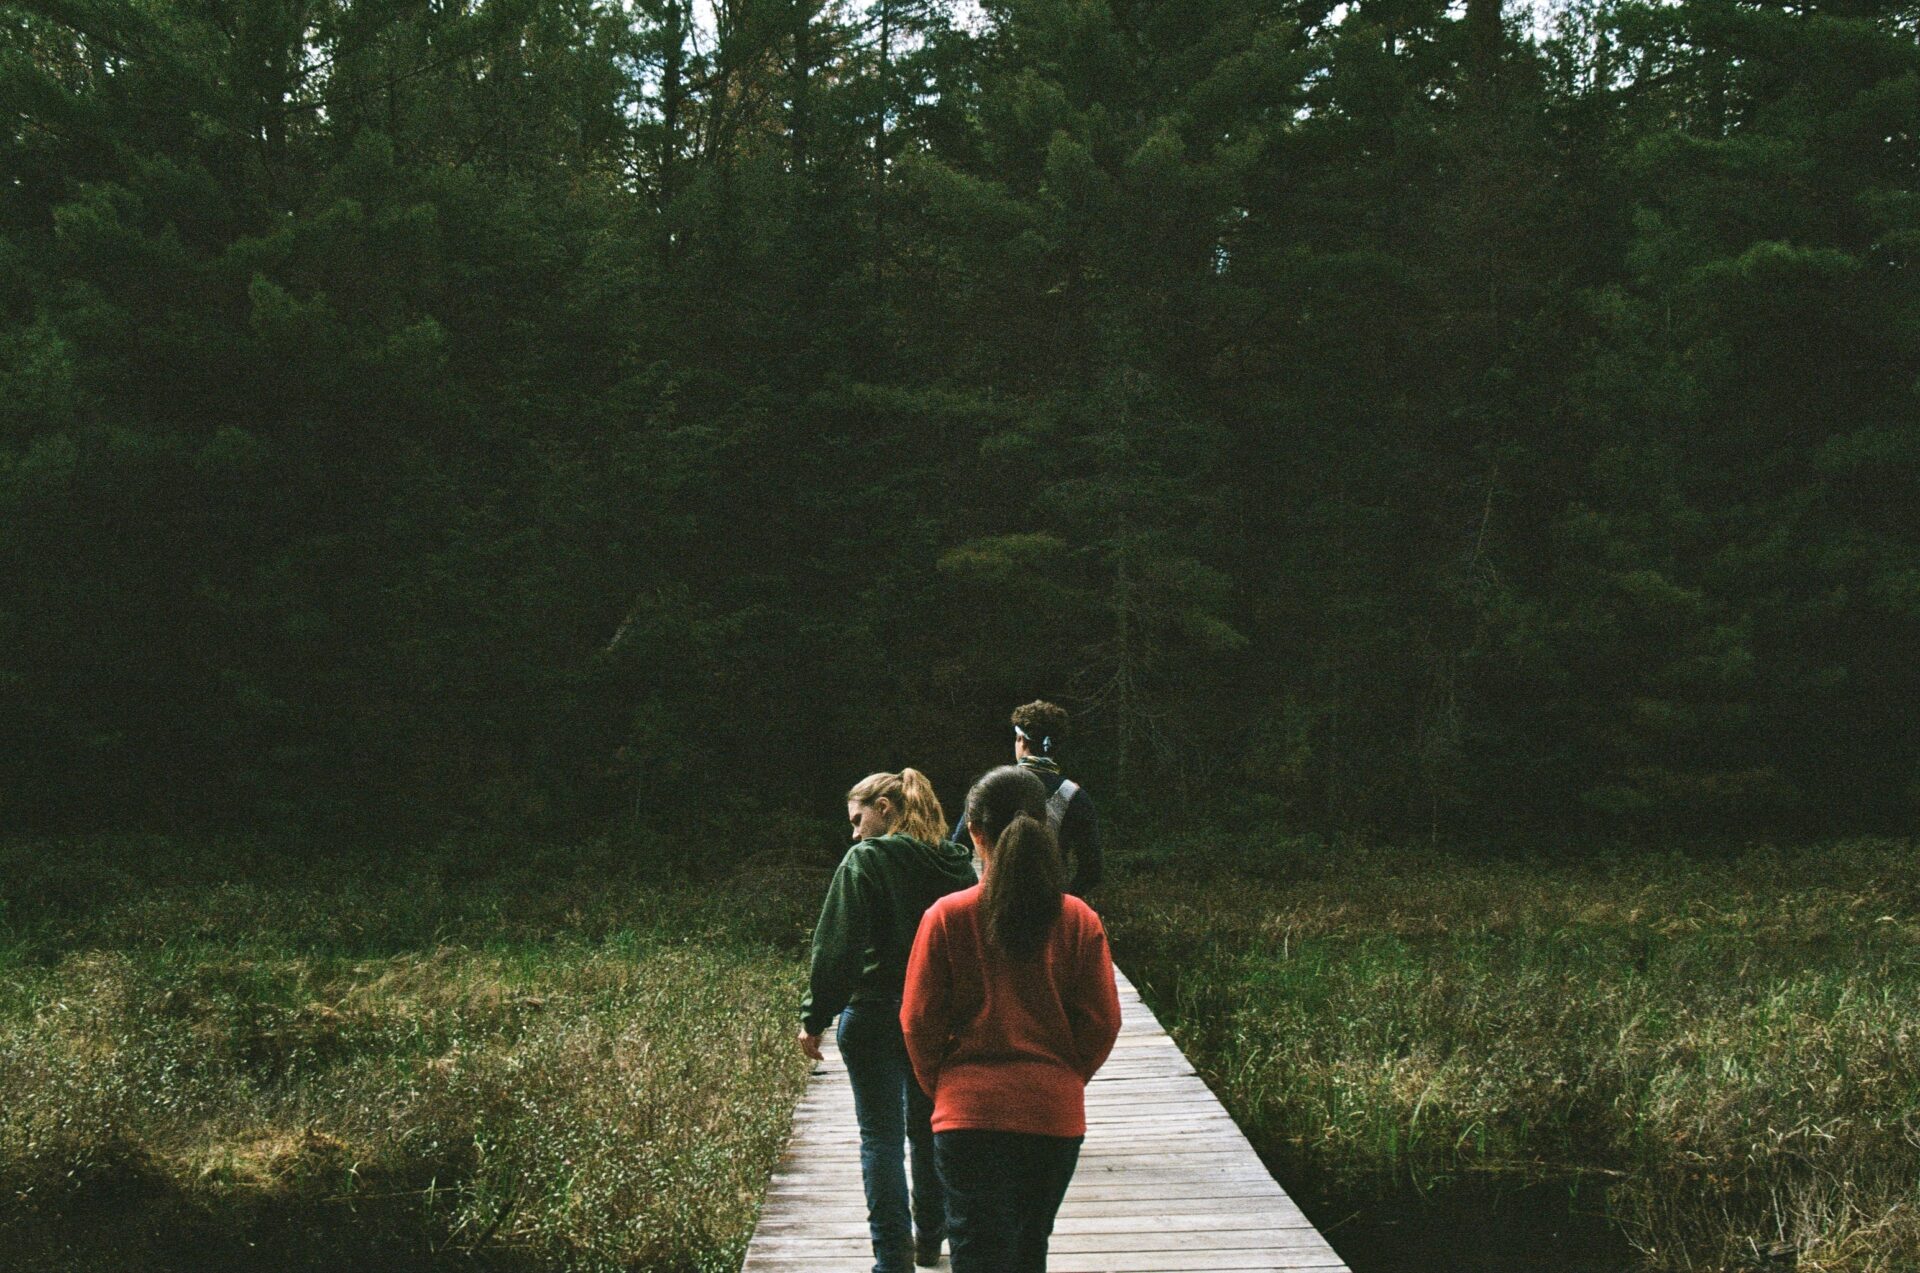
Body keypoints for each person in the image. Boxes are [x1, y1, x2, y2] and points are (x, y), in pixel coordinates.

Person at [901, 765, 1122, 1273]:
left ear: (975, 833)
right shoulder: (1079, 920)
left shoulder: (946, 916)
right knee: (1028, 1252)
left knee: (977, 1255)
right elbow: (1103, 1022)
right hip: (1053, 1115)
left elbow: (916, 1022)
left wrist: (945, 1085)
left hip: (968, 1115)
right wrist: (1065, 1076)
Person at [798, 768, 976, 1273]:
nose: (854, 834)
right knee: (927, 1132)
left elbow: (837, 949)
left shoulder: (866, 861)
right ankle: (930, 1241)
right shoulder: (956, 864)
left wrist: (815, 1018)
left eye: (858, 820)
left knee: (880, 1139)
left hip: (875, 1013)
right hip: (936, 1018)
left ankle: (891, 1261)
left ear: (886, 808)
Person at [950, 700, 1102, 895]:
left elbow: (957, 851)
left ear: (1021, 739)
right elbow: (1092, 870)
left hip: (987, 902)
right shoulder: (1074, 796)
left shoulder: (989, 787)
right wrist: (1063, 903)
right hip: (1048, 907)